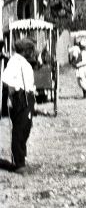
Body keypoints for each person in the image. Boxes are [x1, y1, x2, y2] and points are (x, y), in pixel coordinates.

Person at [1, 38, 36, 172]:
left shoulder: (23, 61)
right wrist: (11, 96)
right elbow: (7, 80)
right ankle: (19, 164)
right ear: (25, 50)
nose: (32, 52)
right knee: (19, 130)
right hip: (21, 97)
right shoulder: (15, 62)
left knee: (26, 128)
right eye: (30, 50)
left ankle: (21, 158)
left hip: (27, 96)